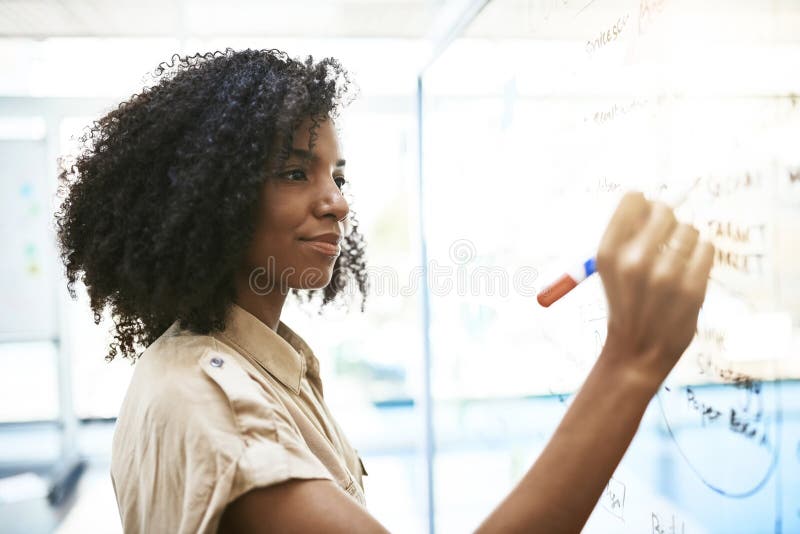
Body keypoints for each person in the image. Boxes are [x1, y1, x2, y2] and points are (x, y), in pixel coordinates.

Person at [55, 48, 714, 534]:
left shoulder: (243, 361)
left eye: (336, 175)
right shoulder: (207, 399)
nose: (336, 203)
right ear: (206, 197)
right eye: (294, 172)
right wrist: (630, 362)